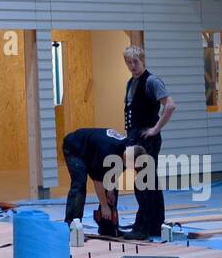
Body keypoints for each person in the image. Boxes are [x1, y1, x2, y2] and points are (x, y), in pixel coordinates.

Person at [122, 46, 176, 241]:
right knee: (149, 181)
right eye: (129, 62)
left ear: (143, 60)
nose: (132, 66)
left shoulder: (151, 81)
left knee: (143, 182)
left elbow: (170, 105)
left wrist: (155, 128)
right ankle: (155, 224)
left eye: (135, 62)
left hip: (147, 137)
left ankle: (142, 227)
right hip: (135, 135)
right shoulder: (131, 82)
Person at [61, 127, 144, 236]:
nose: (130, 169)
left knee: (113, 189)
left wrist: (110, 190)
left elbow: (115, 171)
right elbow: (98, 181)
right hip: (75, 147)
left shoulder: (127, 149)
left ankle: (107, 227)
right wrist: (104, 206)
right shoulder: (107, 151)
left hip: (92, 151)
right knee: (79, 183)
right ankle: (72, 227)